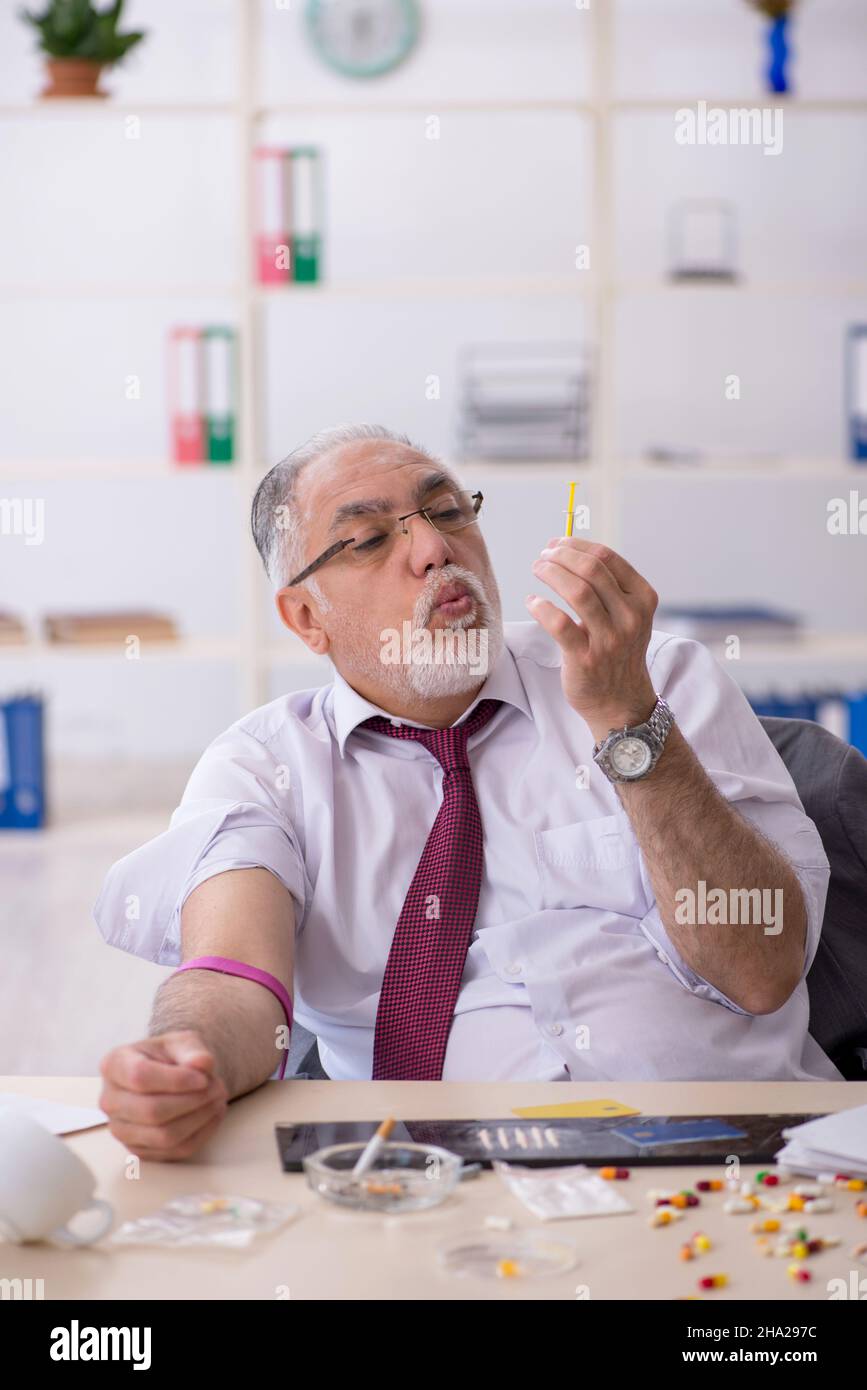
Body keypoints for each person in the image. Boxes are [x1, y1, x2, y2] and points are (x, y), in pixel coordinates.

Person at [93, 424, 840, 1161]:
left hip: (734, 1150)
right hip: (429, 1191)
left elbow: (760, 967)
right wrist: (184, 1061)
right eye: (369, 540)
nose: (433, 550)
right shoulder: (265, 766)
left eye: (447, 512)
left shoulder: (655, 680)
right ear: (306, 618)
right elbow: (233, 975)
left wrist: (628, 726)